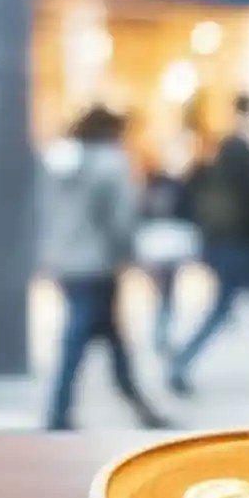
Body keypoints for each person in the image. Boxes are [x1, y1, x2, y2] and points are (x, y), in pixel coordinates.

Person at [41, 106, 171, 431]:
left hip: (66, 261)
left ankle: (136, 403)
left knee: (110, 336)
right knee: (80, 336)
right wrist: (130, 256)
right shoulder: (111, 164)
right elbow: (120, 218)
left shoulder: (62, 160)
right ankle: (60, 410)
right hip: (96, 263)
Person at [169, 93, 249, 397]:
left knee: (232, 309)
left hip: (226, 244)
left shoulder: (214, 160)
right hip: (246, 246)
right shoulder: (245, 155)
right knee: (239, 310)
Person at [134, 143, 197, 355]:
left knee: (161, 292)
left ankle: (160, 331)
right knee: (167, 292)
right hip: (168, 244)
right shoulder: (174, 187)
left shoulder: (148, 189)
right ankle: (162, 332)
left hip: (155, 244)